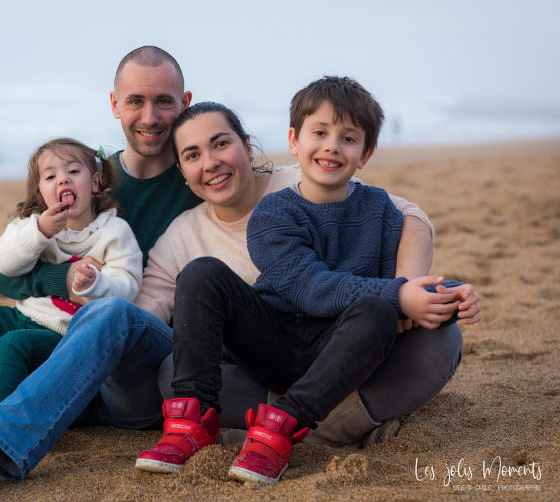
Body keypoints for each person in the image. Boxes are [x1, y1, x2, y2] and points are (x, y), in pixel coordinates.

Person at [0, 47, 441, 499]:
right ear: (115, 105)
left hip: (149, 354)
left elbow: (396, 207)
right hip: (84, 332)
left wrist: (407, 285)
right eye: (138, 102)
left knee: (111, 316)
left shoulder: (269, 186)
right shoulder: (90, 177)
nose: (154, 118)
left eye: (168, 104)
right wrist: (58, 283)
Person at [136, 80, 480, 484]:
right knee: (201, 272)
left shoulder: (380, 210)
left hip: (344, 352)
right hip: (275, 344)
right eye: (320, 133)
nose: (332, 146)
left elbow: (404, 264)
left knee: (386, 313)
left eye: (347, 138)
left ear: (365, 153)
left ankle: (281, 428)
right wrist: (397, 296)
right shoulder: (271, 214)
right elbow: (309, 286)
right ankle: (194, 425)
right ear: (294, 142)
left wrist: (446, 294)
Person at [0, 138, 142, 424]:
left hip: (64, 336)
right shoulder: (31, 226)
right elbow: (4, 264)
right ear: (40, 192)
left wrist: (94, 284)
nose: (63, 180)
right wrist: (39, 232)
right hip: (22, 315)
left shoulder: (114, 232)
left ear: (96, 182)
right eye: (50, 176)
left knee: (14, 345)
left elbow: (127, 287)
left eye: (74, 172)